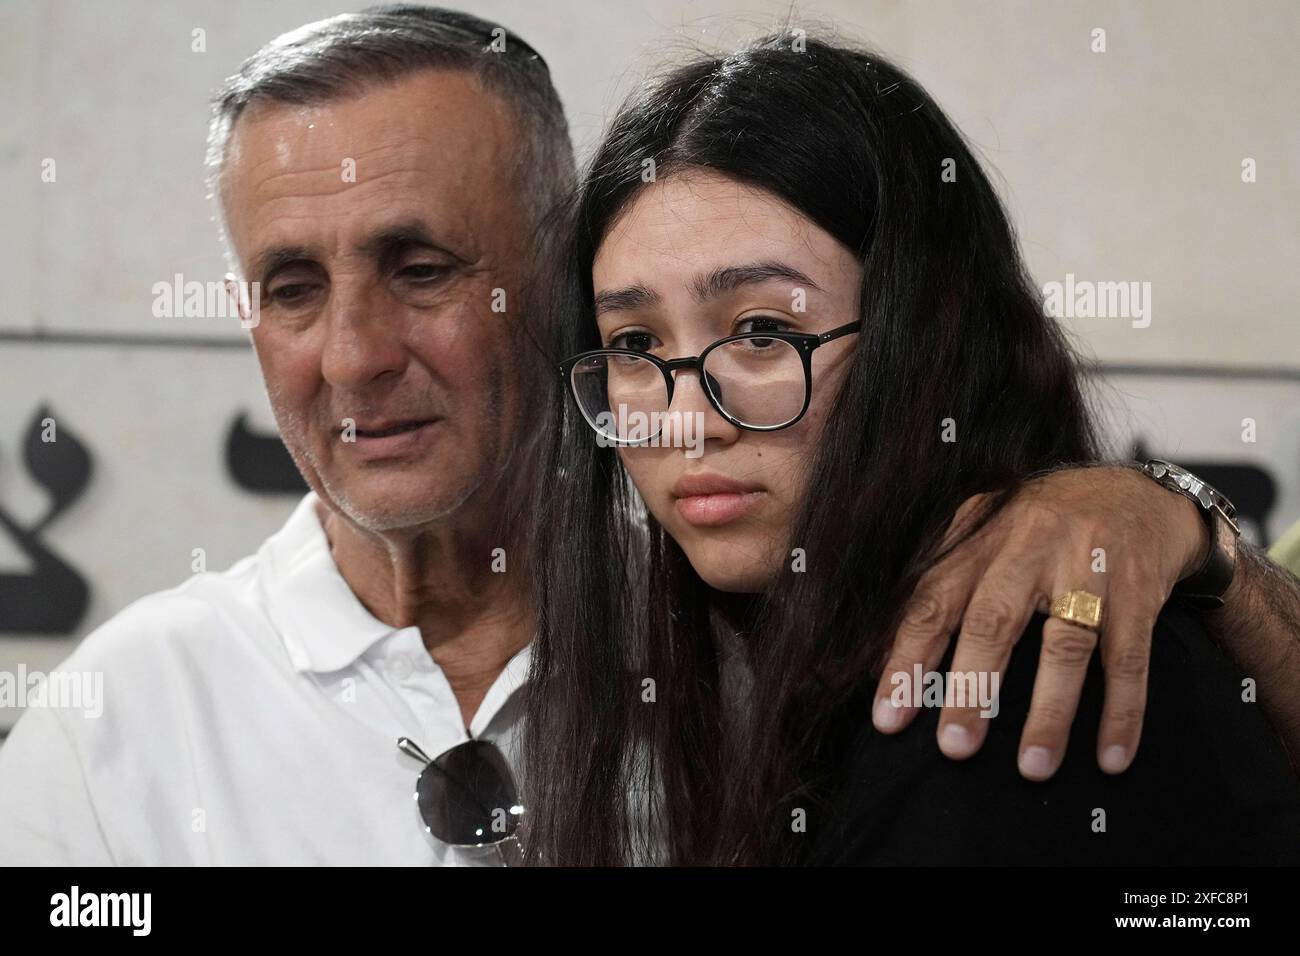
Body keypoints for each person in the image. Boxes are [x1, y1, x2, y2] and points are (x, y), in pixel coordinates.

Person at [1, 6, 1298, 866]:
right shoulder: (110, 734)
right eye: (290, 288)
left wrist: (1180, 529)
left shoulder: (865, 631)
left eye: (423, 267)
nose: (354, 355)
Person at [522, 31, 1300, 865]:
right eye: (635, 343)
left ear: (925, 337)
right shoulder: (748, 656)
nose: (681, 419)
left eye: (760, 330)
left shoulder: (1002, 678)